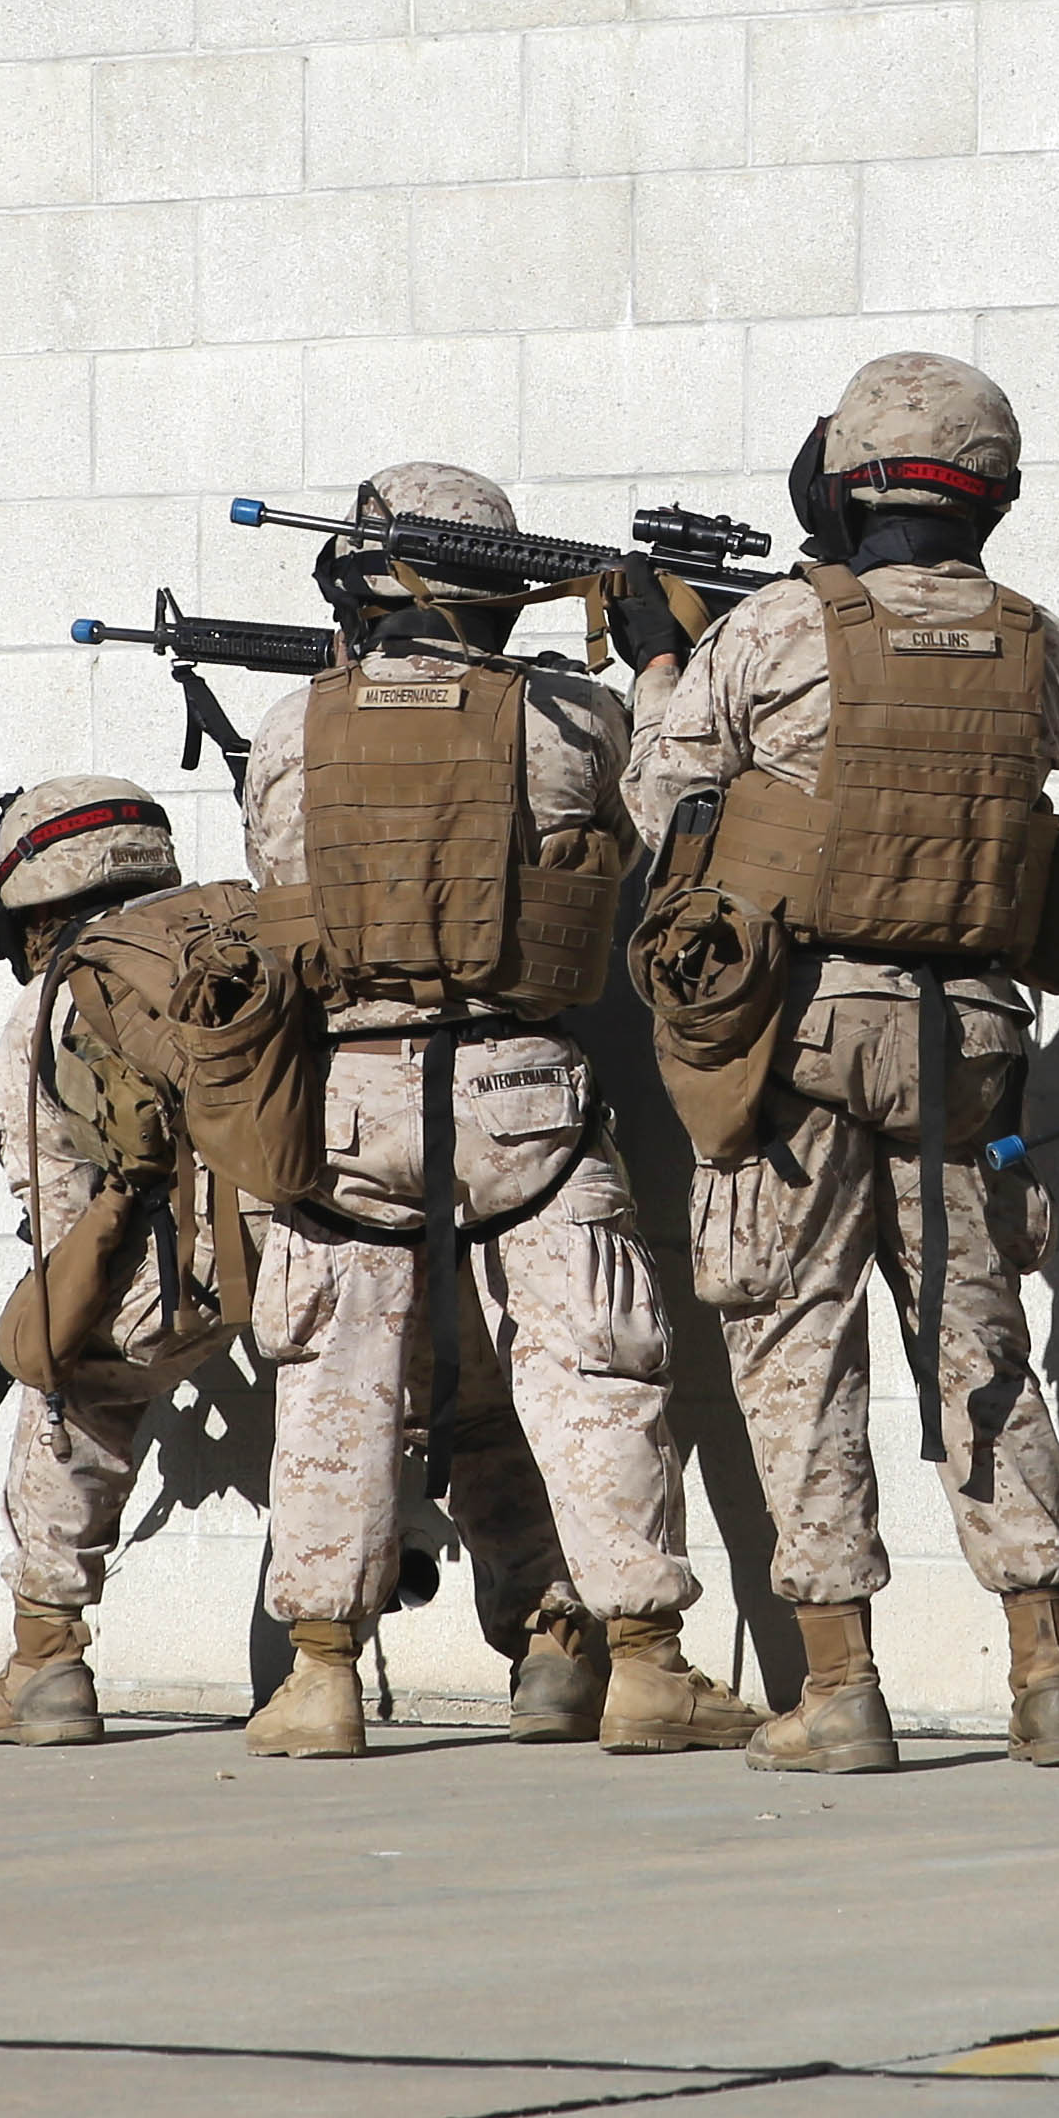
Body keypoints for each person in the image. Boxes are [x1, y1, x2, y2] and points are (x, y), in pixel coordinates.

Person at [611, 355, 1059, 1773]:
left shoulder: (775, 629)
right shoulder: (1041, 642)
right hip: (975, 1036)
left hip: (806, 1029)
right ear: (992, 490)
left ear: (842, 473)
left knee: (794, 1345)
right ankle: (1046, 1672)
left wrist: (658, 661)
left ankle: (838, 1687)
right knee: (982, 1348)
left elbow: (663, 797)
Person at [233, 464, 756, 1760]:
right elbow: (665, 814)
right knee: (593, 1365)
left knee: (336, 1383)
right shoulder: (574, 717)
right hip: (522, 1091)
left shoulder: (288, 727)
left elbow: (274, 870)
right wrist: (659, 664)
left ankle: (318, 1680)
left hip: (352, 1100)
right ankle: (639, 1663)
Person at [0, 777, 239, 1748]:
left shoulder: (57, 1002)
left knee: (70, 1368)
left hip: (181, 1283)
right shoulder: (251, 934)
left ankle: (46, 1663)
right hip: (350, 1261)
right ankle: (553, 1642)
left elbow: (64, 1222)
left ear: (35, 906)